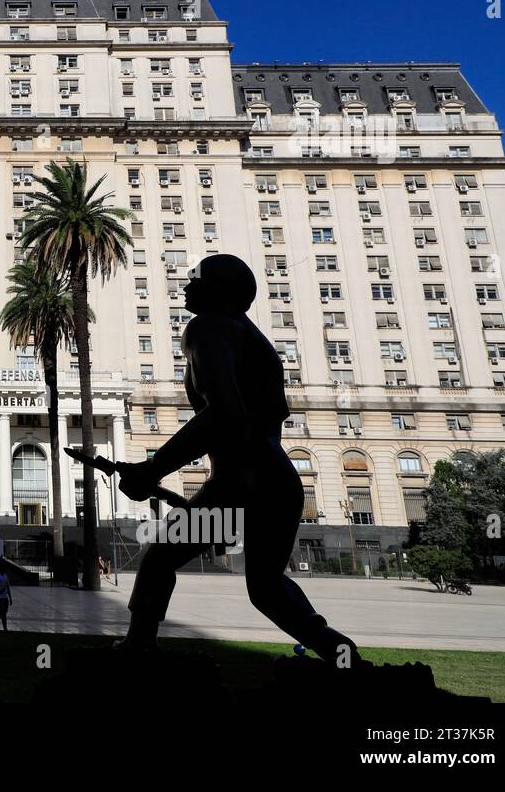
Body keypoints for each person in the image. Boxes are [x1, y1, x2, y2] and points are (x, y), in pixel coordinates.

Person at [67, 255, 364, 668]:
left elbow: (225, 413)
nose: (185, 285)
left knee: (160, 556)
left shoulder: (207, 328)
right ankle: (343, 656)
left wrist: (154, 471)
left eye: (196, 279)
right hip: (276, 480)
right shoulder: (256, 342)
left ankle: (138, 649)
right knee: (266, 587)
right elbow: (256, 424)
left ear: (220, 289)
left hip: (244, 478)